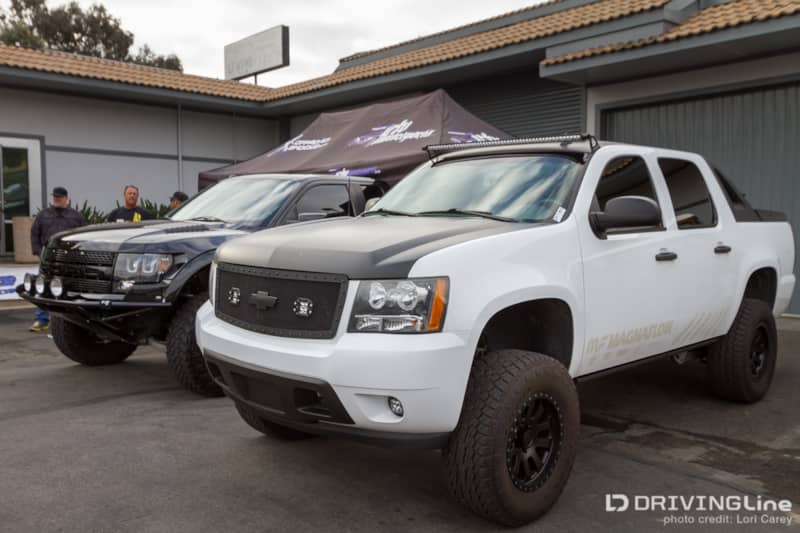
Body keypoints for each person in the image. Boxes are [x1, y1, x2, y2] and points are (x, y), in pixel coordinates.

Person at [29, 186, 86, 332]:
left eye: (59, 197)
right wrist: (37, 252)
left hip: (70, 259)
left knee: (70, 287)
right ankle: (41, 320)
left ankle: (74, 320)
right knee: (43, 288)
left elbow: (84, 236)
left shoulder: (76, 216)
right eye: (55, 197)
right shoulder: (44, 215)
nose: (56, 199)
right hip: (48, 257)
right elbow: (35, 233)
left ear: (66, 198)